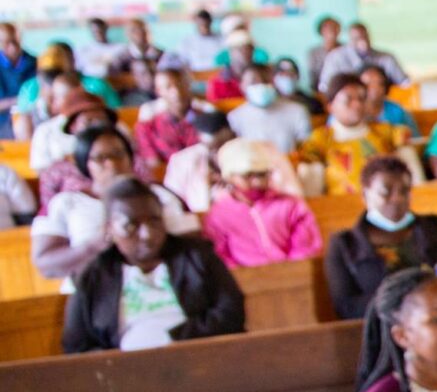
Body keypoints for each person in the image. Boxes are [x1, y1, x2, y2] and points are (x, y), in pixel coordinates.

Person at [62, 179, 244, 354]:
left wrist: (171, 339)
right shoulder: (93, 276)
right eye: (131, 225)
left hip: (199, 358)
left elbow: (230, 312)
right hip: (127, 375)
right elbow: (77, 346)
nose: (147, 234)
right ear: (110, 228)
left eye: (154, 220)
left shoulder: (196, 256)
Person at [325, 156, 437, 321]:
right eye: (386, 192)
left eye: (405, 191)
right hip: (383, 334)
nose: (397, 199)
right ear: (365, 195)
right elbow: (346, 306)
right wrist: (408, 304)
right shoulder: (345, 244)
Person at [33, 127, 198, 283]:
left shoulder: (160, 194)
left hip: (166, 284)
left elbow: (195, 238)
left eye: (118, 154)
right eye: (100, 158)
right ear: (85, 163)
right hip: (93, 290)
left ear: (130, 158)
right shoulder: (66, 202)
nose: (112, 164)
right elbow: (45, 265)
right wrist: (94, 246)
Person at [201, 138, 323, 269]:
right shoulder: (220, 214)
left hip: (292, 277)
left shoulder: (290, 206)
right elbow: (220, 256)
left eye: (262, 175)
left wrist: (289, 273)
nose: (257, 182)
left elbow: (305, 248)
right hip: (243, 282)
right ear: (230, 177)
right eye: (247, 176)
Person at [296, 75, 414, 199]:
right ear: (330, 106)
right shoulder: (320, 140)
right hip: (340, 210)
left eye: (361, 98)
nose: (357, 104)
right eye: (348, 100)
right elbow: (311, 191)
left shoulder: (385, 132)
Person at [32, 95, 119, 202]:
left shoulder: (128, 160)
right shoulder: (57, 171)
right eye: (88, 121)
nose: (96, 126)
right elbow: (48, 209)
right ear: (73, 127)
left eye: (102, 121)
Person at [134, 68, 206, 180]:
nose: (176, 92)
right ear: (158, 91)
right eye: (168, 87)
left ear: (189, 85)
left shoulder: (206, 119)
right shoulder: (147, 128)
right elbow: (154, 164)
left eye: (180, 84)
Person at [230, 62, 314, 155]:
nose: (261, 85)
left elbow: (306, 149)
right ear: (242, 86)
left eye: (265, 81)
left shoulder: (297, 111)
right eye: (253, 82)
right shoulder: (235, 118)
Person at [319, 22, 411, 89]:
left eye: (365, 36)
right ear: (350, 40)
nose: (363, 41)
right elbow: (324, 86)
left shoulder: (386, 58)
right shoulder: (335, 58)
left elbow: (404, 83)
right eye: (357, 38)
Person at [360, 64, 417, 136]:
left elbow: (415, 139)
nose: (374, 88)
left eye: (379, 84)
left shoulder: (398, 111)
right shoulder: (354, 112)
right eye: (368, 84)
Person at [206, 31, 259, 100]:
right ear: (231, 52)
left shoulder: (263, 77)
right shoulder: (218, 83)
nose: (247, 52)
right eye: (241, 49)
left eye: (250, 48)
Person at [307, 15, 342, 93]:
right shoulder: (314, 53)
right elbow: (313, 76)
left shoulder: (346, 50)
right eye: (330, 28)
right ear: (322, 31)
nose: (333, 31)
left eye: (336, 27)